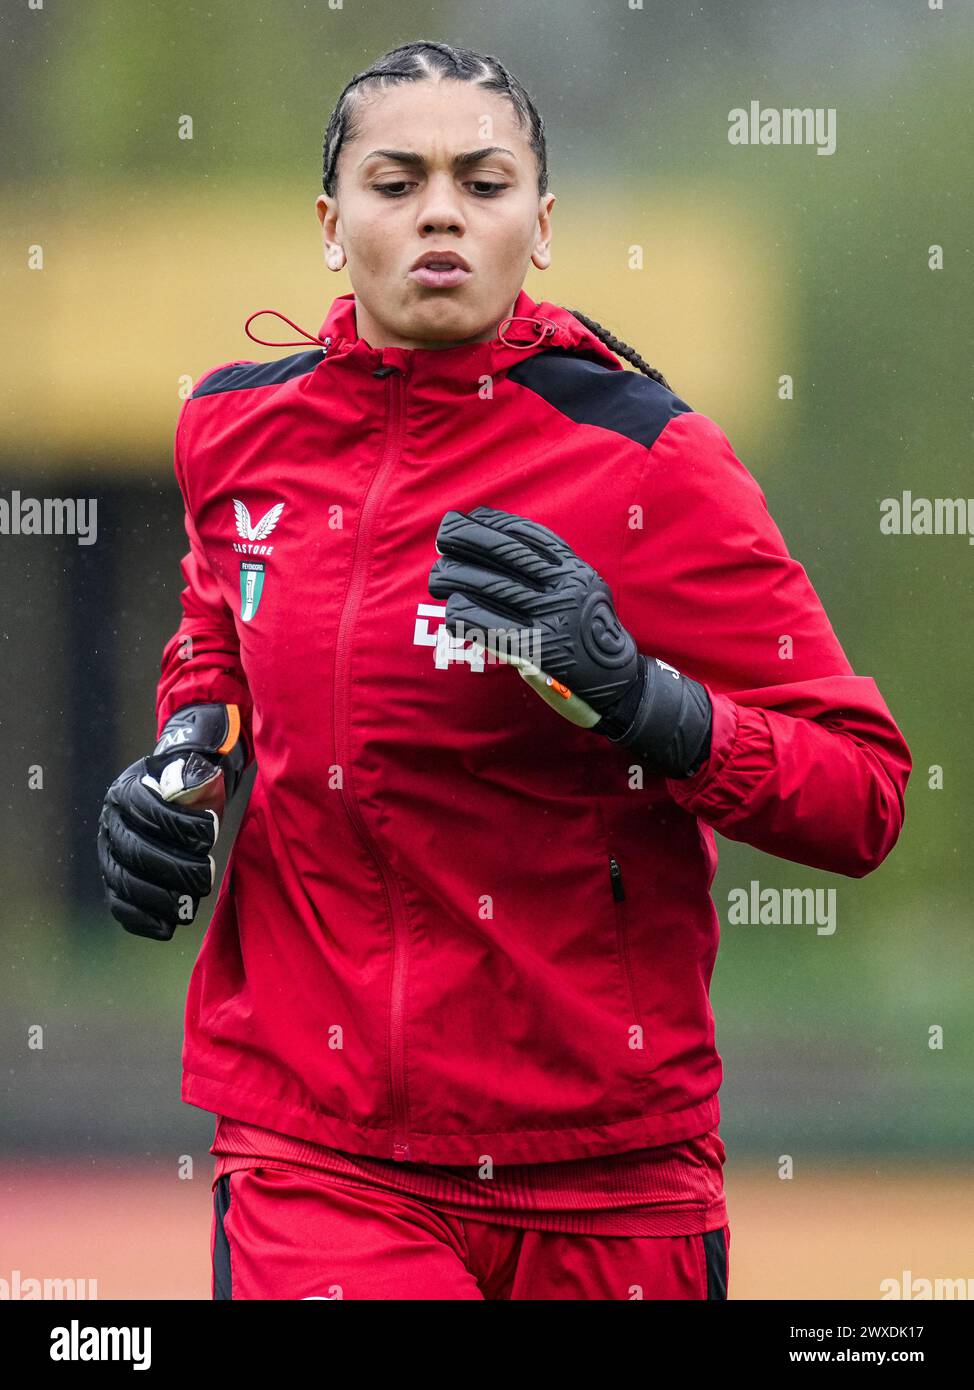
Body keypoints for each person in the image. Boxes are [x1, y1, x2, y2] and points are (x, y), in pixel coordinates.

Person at [96, 40, 912, 1301]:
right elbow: (217, 630)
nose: (438, 210)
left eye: (482, 182)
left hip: (604, 1165)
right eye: (395, 179)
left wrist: (649, 705)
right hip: (319, 1150)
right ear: (330, 223)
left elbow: (862, 795)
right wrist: (180, 764)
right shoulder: (233, 427)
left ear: (540, 225)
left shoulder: (648, 456)